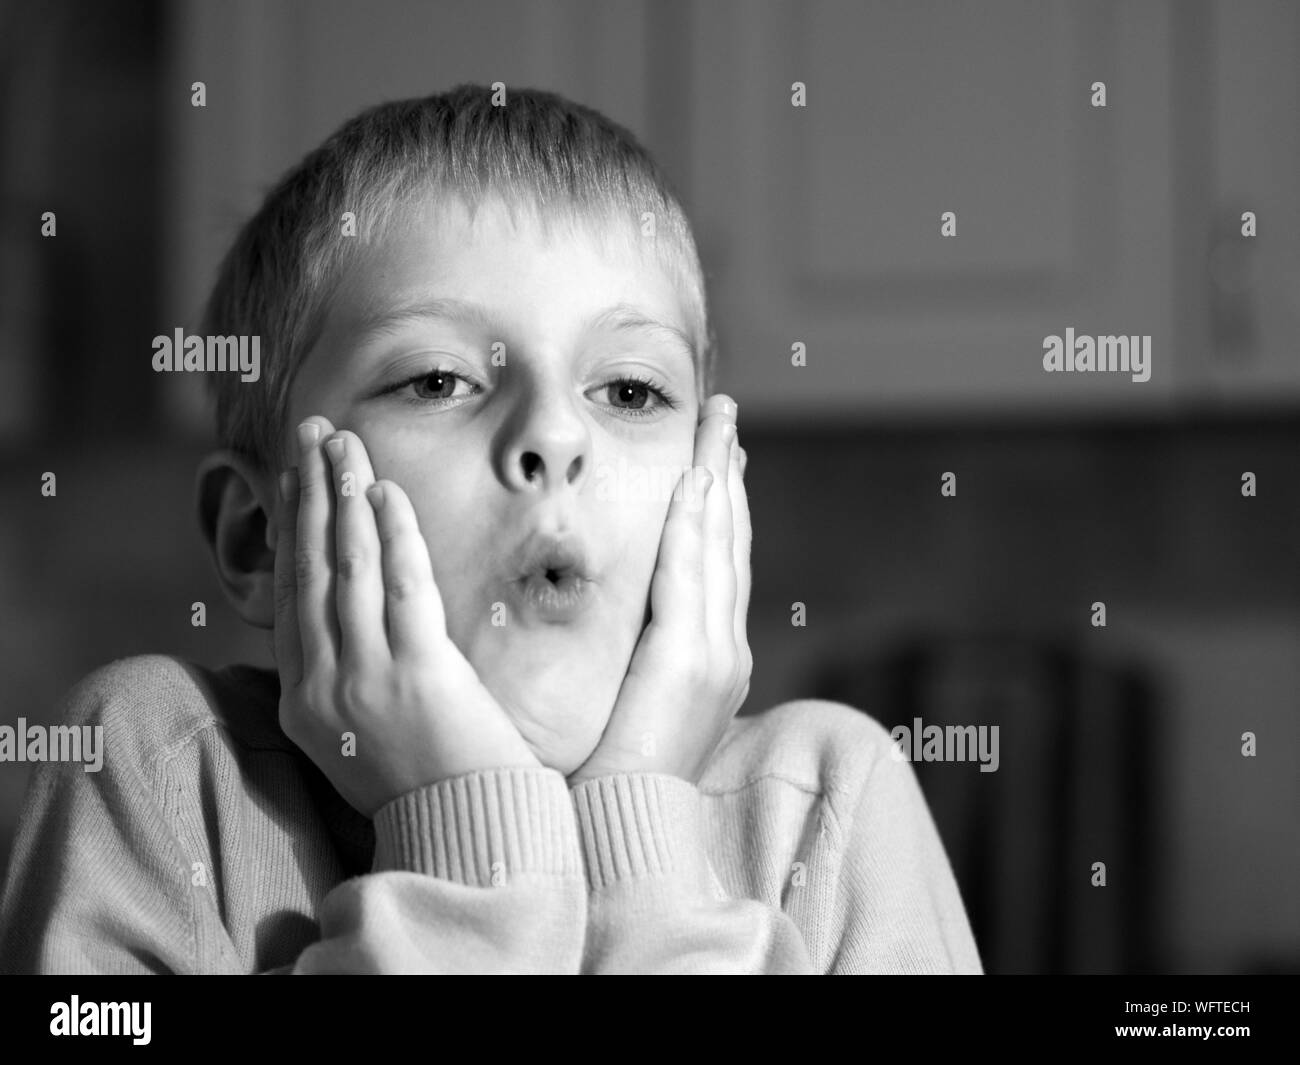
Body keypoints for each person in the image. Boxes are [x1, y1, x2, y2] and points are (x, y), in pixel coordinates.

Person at [0, 85, 982, 974]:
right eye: (436, 380)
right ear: (260, 538)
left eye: (630, 390)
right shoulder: (153, 770)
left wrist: (636, 812)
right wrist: (463, 833)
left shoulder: (830, 805)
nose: (554, 434)